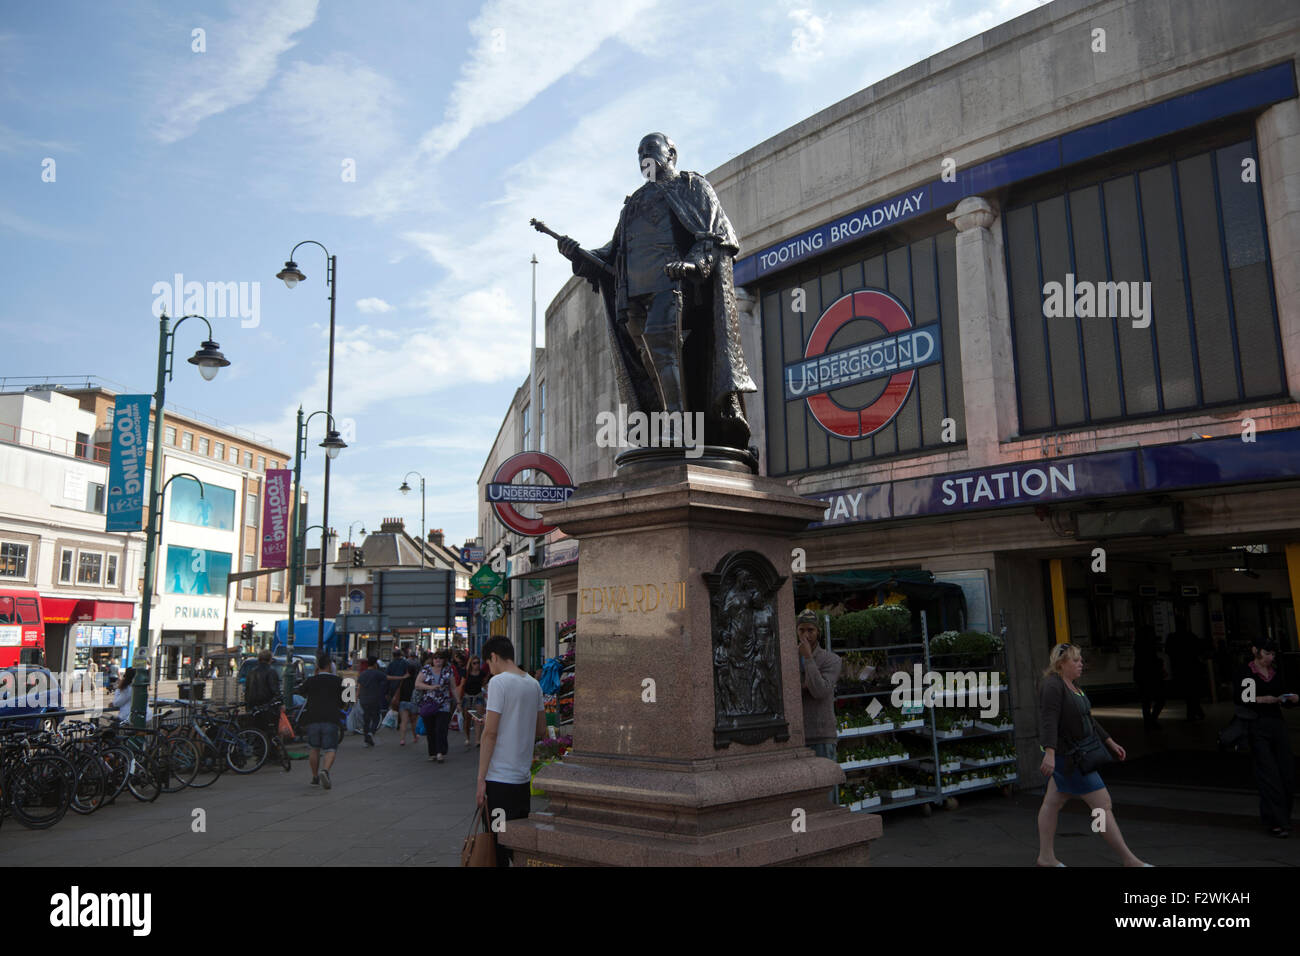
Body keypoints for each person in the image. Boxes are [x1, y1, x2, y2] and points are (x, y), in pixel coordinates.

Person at [554, 132, 757, 451]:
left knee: (664, 352)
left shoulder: (692, 187)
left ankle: (678, 427)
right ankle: (664, 425)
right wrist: (577, 255)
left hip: (671, 285)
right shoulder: (634, 201)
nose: (643, 157)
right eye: (638, 153)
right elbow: (612, 252)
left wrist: (692, 265)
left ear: (671, 154)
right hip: (633, 295)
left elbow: (713, 238)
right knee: (648, 360)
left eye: (650, 150)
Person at [1036, 643, 1149, 867]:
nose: (1081, 664)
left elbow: (1088, 718)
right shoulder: (1052, 685)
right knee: (1101, 805)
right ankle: (1129, 860)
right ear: (1061, 664)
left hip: (1075, 756)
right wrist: (1049, 753)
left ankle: (1045, 857)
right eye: (1076, 660)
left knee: (1052, 803)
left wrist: (1110, 742)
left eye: (1080, 660)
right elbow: (1049, 721)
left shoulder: (1073, 685)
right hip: (1070, 759)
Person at [476, 636, 546, 867]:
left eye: (489, 663)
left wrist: (480, 778)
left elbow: (490, 734)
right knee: (517, 843)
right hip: (522, 780)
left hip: (499, 780)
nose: (490, 668)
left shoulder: (499, 683)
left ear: (494, 656)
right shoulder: (533, 684)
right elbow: (541, 729)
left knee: (498, 842)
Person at [1234, 640, 1298, 836]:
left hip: (1276, 724)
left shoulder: (1275, 672)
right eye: (1267, 653)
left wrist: (1291, 699)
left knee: (1287, 771)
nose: (1271, 657)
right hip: (1256, 724)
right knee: (1268, 773)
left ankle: (1279, 817)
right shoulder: (1247, 671)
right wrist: (1263, 699)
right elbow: (1243, 698)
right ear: (1256, 651)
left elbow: (1282, 695)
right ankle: (1277, 822)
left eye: (1273, 654)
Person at [796, 609, 841, 764]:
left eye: (811, 630)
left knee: (827, 786)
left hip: (821, 736)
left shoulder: (831, 660)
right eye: (801, 630)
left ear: (818, 632)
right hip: (796, 737)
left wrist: (808, 657)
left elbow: (820, 691)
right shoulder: (789, 658)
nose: (806, 635)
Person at [298, 651, 345, 789]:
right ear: (330, 666)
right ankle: (325, 771)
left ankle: (314, 776)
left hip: (313, 717)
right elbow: (346, 700)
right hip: (331, 718)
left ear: (318, 666)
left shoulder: (311, 680)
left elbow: (301, 691)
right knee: (330, 749)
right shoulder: (338, 681)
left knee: (314, 748)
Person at [416, 650, 459, 763]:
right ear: (432, 660)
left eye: (440, 658)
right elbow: (417, 684)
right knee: (430, 729)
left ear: (444, 660)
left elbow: (453, 687)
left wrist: (458, 701)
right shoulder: (426, 669)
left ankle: (440, 752)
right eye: (436, 658)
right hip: (429, 704)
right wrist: (431, 687)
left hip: (443, 703)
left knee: (441, 728)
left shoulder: (448, 670)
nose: (438, 660)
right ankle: (432, 752)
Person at [1165, 616, 1206, 720]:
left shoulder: (1172, 638)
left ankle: (1193, 712)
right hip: (1192, 668)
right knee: (1193, 691)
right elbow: (1200, 649)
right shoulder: (1191, 636)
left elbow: (1168, 651)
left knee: (1187, 692)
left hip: (1179, 669)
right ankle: (1195, 711)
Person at [244, 649, 282, 745]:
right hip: (267, 707)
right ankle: (270, 754)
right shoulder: (271, 672)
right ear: (270, 660)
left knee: (257, 732)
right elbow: (275, 690)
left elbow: (247, 690)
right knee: (270, 732)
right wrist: (280, 702)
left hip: (253, 706)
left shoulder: (251, 672)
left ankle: (259, 753)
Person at [1131, 625, 1165, 730]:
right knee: (1160, 699)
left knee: (1146, 702)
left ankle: (1148, 722)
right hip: (1152, 677)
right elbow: (1153, 662)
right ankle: (1152, 720)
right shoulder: (1150, 647)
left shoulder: (1138, 646)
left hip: (1142, 677)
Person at [357, 655, 388, 746]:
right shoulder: (377, 673)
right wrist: (402, 677)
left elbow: (359, 687)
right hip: (374, 699)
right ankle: (371, 733)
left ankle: (367, 739)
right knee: (376, 717)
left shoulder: (363, 674)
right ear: (375, 664)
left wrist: (356, 698)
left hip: (363, 700)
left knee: (366, 719)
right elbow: (387, 678)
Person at [459, 656, 486, 749]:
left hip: (478, 696)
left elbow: (484, 684)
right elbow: (462, 685)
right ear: (470, 664)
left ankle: (477, 740)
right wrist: (459, 700)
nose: (476, 665)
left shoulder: (482, 673)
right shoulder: (466, 673)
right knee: (467, 719)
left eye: (478, 662)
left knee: (478, 718)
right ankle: (467, 737)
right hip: (467, 697)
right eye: (474, 663)